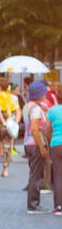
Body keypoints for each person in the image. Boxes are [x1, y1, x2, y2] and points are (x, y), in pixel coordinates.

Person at [24, 80, 51, 214]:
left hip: (27, 143)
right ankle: (33, 205)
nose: (45, 95)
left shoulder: (27, 106)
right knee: (36, 175)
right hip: (35, 144)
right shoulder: (35, 109)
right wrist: (42, 147)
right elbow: (35, 129)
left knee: (33, 173)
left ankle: (33, 203)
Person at [47, 87, 62, 215]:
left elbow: (47, 128)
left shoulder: (52, 111)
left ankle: (58, 206)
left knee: (58, 176)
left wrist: (50, 138)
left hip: (56, 143)